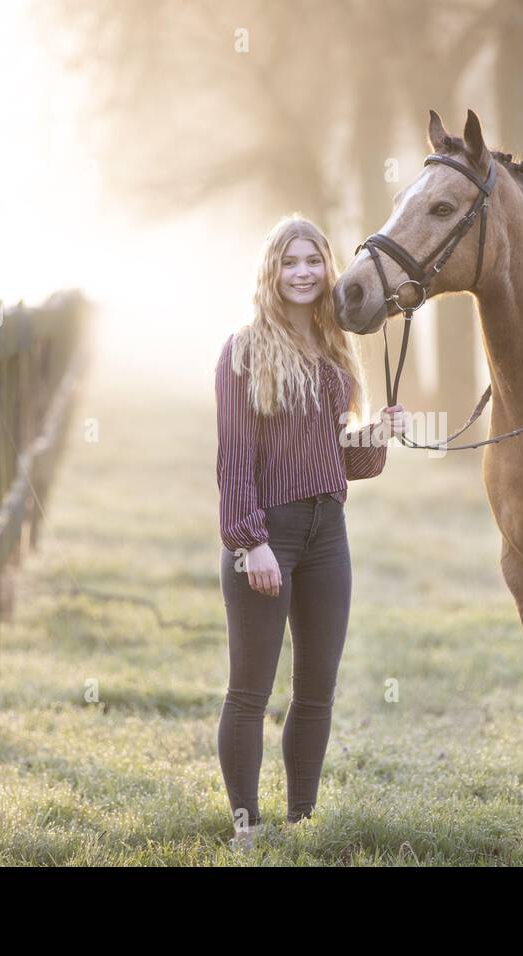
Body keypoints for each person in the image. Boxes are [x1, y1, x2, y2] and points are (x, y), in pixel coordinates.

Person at [214, 214, 406, 847]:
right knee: (250, 690)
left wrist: (376, 434)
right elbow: (235, 458)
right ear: (272, 272)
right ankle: (246, 826)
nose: (303, 273)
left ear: (328, 270)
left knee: (316, 688)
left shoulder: (332, 352)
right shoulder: (242, 351)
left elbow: (337, 459)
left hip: (329, 532)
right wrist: (252, 541)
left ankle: (301, 821)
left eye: (314, 261)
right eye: (290, 262)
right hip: (269, 533)